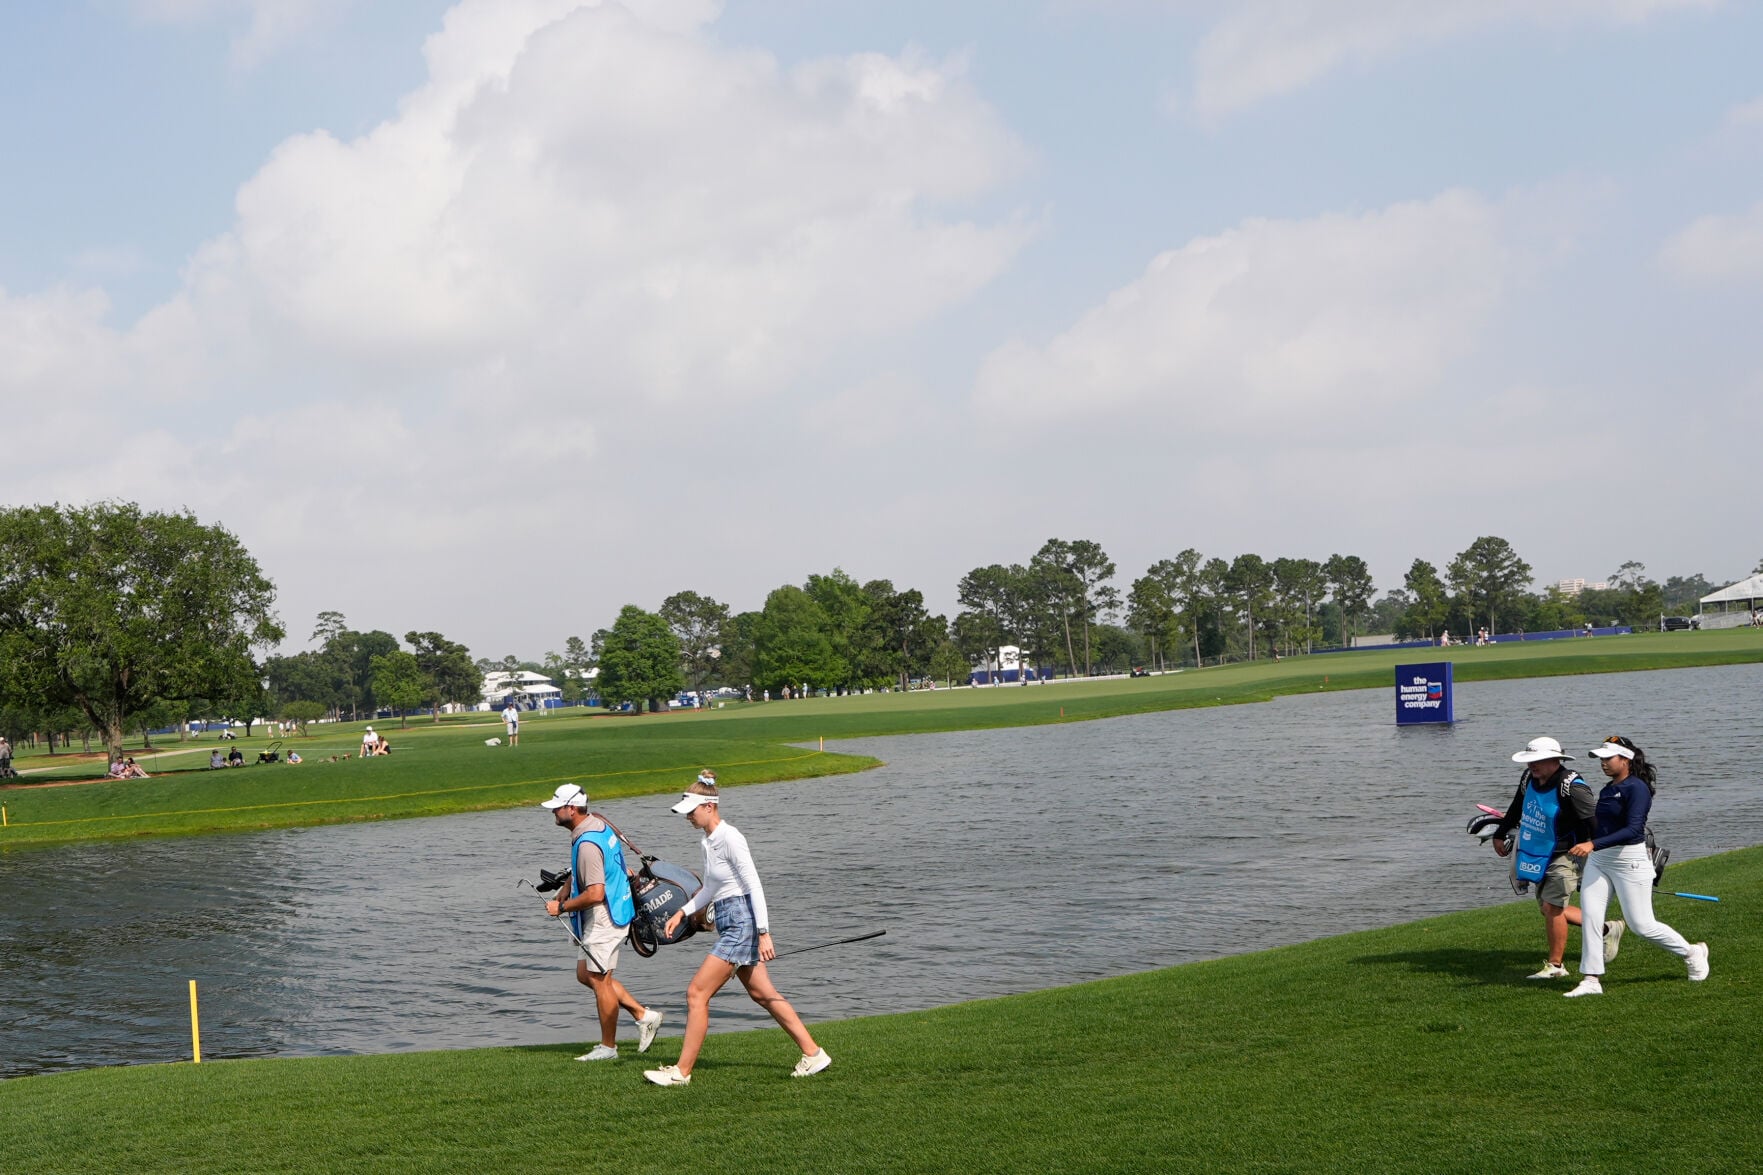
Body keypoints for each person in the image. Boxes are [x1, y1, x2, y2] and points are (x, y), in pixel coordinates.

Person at [643, 772, 830, 1087]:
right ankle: (813, 1053)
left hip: (742, 923)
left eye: (692, 810)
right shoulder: (708, 841)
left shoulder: (731, 837)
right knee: (762, 993)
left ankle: (681, 1072)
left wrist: (764, 932)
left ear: (710, 806)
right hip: (730, 920)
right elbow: (711, 887)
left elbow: (753, 885)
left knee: (697, 993)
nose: (688, 816)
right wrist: (683, 911)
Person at [1564, 737, 1709, 996]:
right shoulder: (1608, 789)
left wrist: (1592, 845)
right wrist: (1584, 840)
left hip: (1629, 860)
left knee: (1641, 925)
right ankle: (1591, 979)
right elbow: (1602, 826)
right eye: (1601, 759)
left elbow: (1633, 830)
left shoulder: (1637, 788)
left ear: (1625, 759)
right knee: (1591, 918)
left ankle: (1692, 952)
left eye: (1608, 759)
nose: (1603, 764)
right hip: (1600, 861)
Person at [539, 783, 663, 1062]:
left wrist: (561, 906)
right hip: (617, 908)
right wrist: (567, 887)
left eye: (557, 808)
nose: (554, 813)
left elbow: (595, 893)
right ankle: (645, 1015)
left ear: (572, 808)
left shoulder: (586, 844)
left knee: (599, 979)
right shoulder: (597, 824)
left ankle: (608, 1047)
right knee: (587, 975)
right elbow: (588, 870)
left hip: (605, 916)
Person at [1489, 736, 1618, 980]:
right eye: (1529, 761)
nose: (1531, 766)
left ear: (1555, 760)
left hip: (1567, 854)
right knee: (1548, 908)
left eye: (1537, 761)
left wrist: (1597, 849)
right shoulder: (1530, 779)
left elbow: (1593, 822)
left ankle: (1556, 966)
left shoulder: (1573, 787)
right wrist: (1500, 832)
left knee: (1552, 907)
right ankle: (1607, 929)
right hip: (1537, 852)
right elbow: (1517, 805)